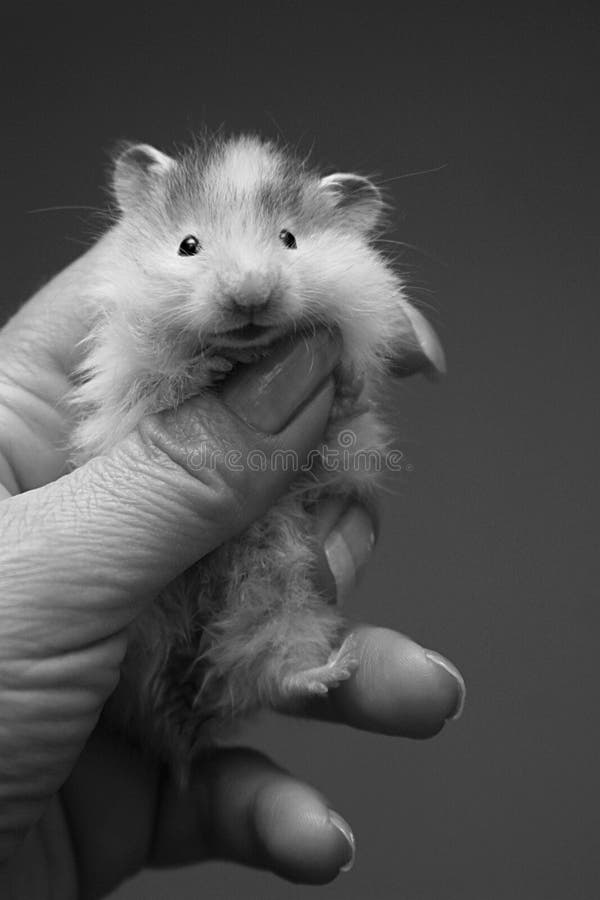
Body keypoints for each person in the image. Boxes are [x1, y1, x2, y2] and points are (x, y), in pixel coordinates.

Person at [0, 246, 465, 898]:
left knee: (283, 565)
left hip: (251, 556)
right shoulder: (130, 333)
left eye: (284, 239)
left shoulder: (334, 341)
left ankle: (268, 668)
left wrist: (344, 394)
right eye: (192, 247)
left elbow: (355, 461)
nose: (250, 283)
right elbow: (112, 428)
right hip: (134, 621)